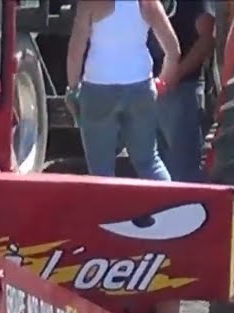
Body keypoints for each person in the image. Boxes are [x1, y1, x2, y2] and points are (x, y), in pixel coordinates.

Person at [66, 0, 180, 180]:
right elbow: (173, 51)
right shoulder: (148, 4)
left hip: (98, 89)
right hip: (140, 87)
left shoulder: (90, 4)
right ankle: (170, 203)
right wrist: (161, 82)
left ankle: (107, 208)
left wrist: (73, 90)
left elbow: (75, 51)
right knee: (149, 162)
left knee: (101, 171)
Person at [150, 0, 215, 183]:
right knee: (155, 170)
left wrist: (176, 74)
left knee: (184, 171)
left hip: (182, 90)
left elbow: (207, 38)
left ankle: (185, 209)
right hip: (150, 91)